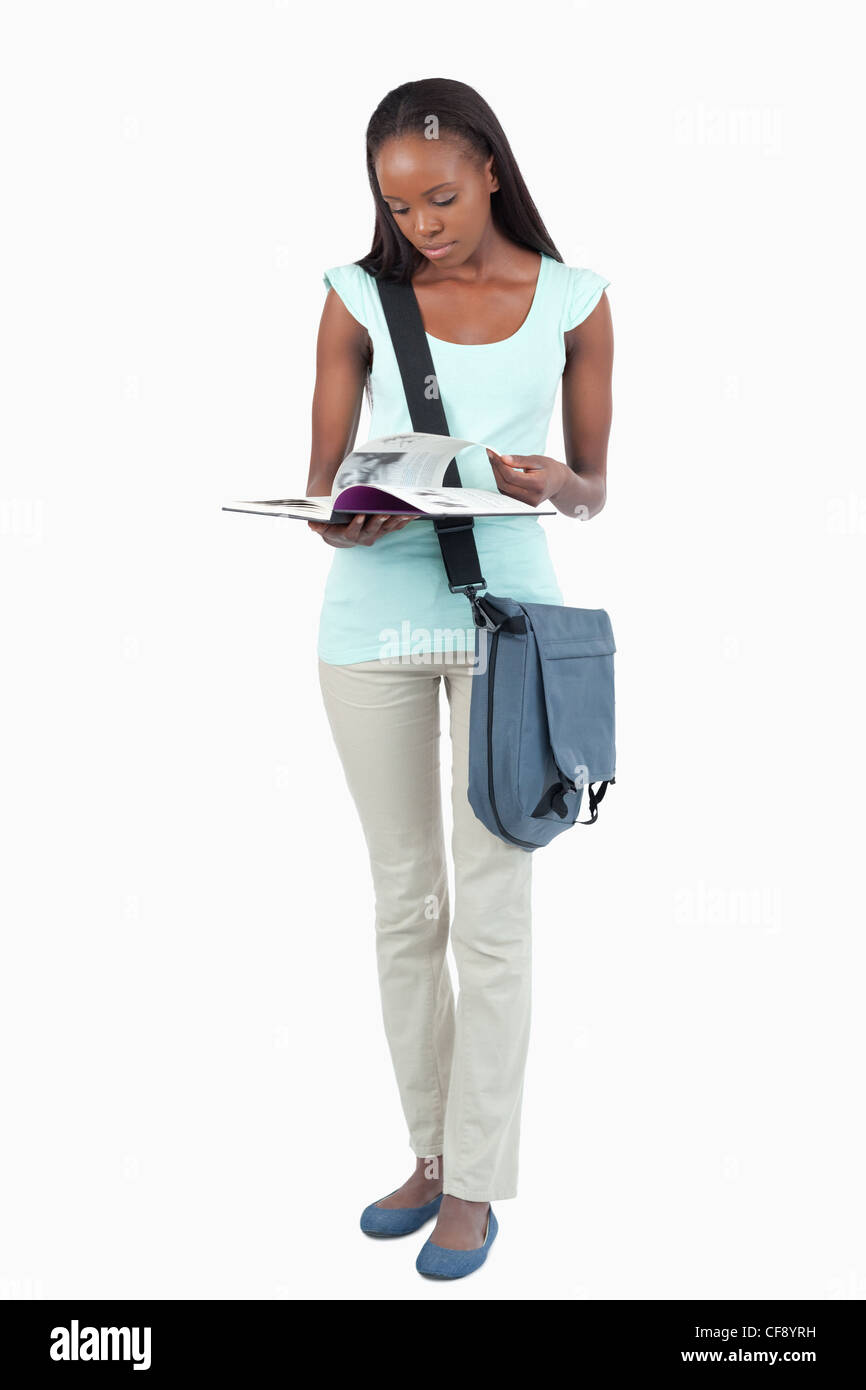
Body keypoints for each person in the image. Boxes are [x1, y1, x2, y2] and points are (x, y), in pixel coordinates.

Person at [306, 77, 613, 1279]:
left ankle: (477, 1183)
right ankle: (427, 1152)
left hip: (511, 621)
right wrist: (342, 518)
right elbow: (327, 482)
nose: (422, 222)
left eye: (440, 195)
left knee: (491, 913)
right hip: (372, 623)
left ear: (490, 167)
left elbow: (593, 487)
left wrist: (549, 482)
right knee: (404, 905)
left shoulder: (576, 301)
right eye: (398, 203)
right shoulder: (350, 298)